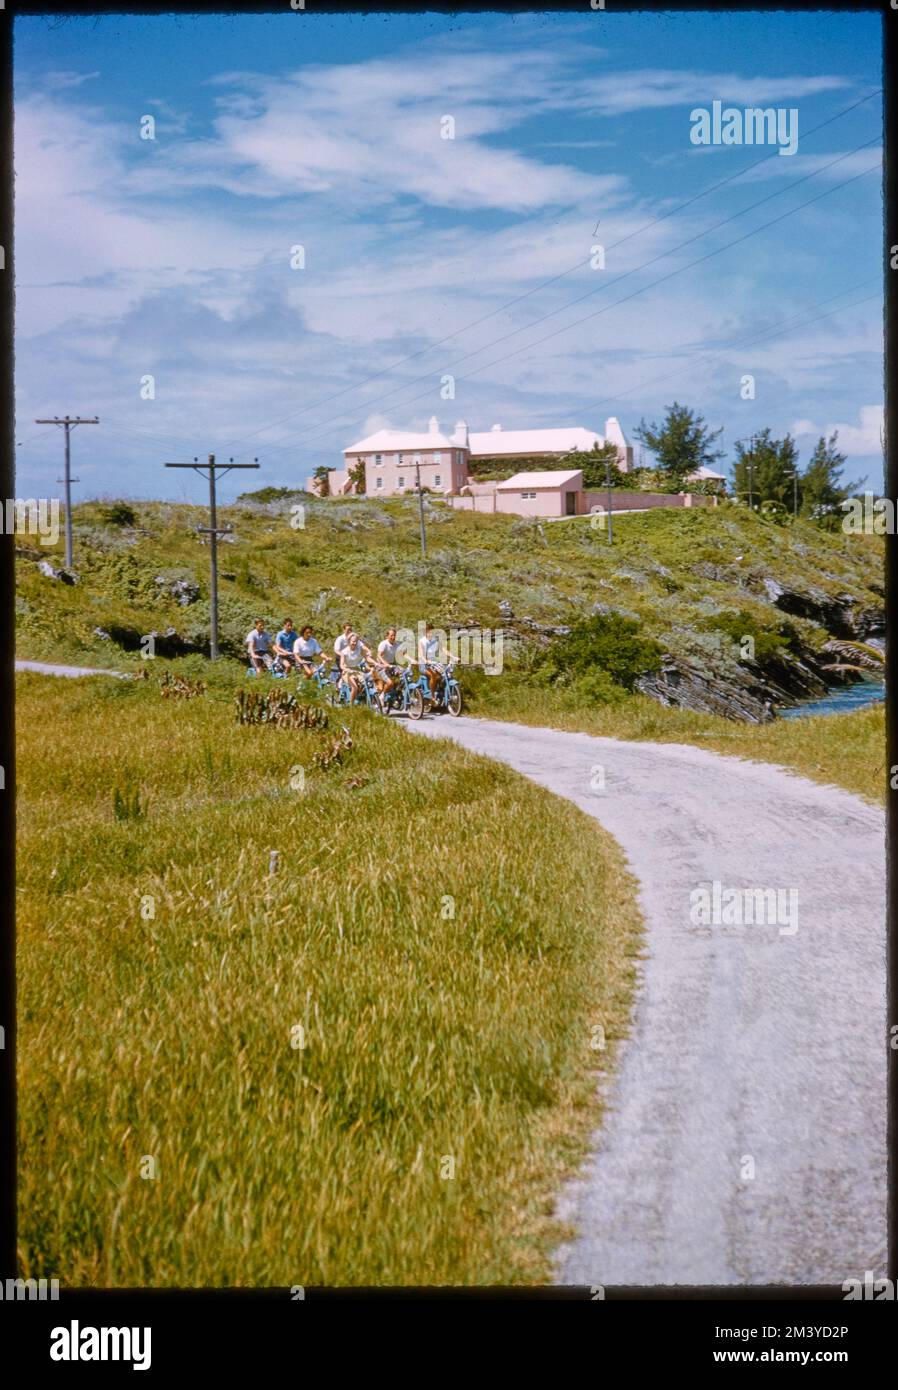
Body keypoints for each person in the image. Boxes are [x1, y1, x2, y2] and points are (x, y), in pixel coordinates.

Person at [340, 631, 374, 705]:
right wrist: (346, 669)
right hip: (348, 672)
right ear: (349, 641)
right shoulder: (344, 652)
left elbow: (367, 658)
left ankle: (365, 700)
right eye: (353, 641)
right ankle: (351, 706)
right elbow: (341, 665)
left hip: (357, 670)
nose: (354, 643)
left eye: (356, 641)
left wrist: (375, 663)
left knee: (367, 683)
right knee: (354, 687)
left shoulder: (359, 649)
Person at [417, 621, 445, 704]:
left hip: (433, 663)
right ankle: (432, 697)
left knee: (444, 674)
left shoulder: (435, 640)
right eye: (428, 631)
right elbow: (421, 654)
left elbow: (443, 649)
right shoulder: (421, 641)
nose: (430, 633)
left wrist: (453, 656)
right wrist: (425, 660)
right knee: (433, 675)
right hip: (423, 665)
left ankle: (440, 692)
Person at [375, 626, 405, 703]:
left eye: (394, 635)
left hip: (392, 665)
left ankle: (399, 692)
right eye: (391, 635)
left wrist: (412, 660)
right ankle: (382, 695)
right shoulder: (383, 644)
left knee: (405, 674)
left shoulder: (396, 644)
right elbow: (379, 655)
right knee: (390, 683)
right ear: (387, 636)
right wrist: (386, 664)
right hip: (381, 666)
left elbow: (403, 653)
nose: (393, 637)